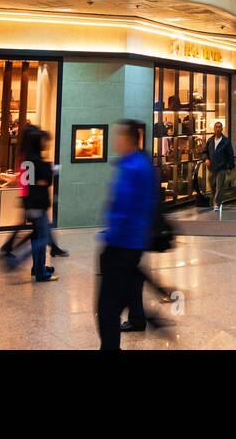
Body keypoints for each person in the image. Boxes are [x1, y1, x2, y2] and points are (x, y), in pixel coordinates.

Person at [97, 121, 157, 349]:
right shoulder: (139, 163)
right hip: (131, 242)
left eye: (118, 136)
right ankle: (142, 318)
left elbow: (124, 206)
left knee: (107, 308)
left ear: (129, 138)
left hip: (122, 244)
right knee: (124, 293)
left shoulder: (133, 167)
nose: (115, 140)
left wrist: (111, 237)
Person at [5, 130, 57, 282]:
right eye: (42, 141)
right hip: (37, 204)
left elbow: (37, 181)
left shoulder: (28, 158)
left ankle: (38, 269)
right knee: (42, 238)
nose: (45, 144)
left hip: (31, 203)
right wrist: (47, 172)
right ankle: (22, 262)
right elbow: (43, 181)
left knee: (39, 236)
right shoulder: (34, 160)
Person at [203, 121, 234, 210]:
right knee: (212, 184)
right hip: (212, 167)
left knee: (219, 186)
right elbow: (205, 152)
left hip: (222, 167)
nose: (217, 128)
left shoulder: (226, 141)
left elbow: (230, 155)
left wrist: (229, 167)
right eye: (216, 126)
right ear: (214, 128)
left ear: (222, 129)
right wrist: (206, 159)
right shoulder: (210, 140)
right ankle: (215, 200)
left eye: (219, 127)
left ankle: (217, 203)